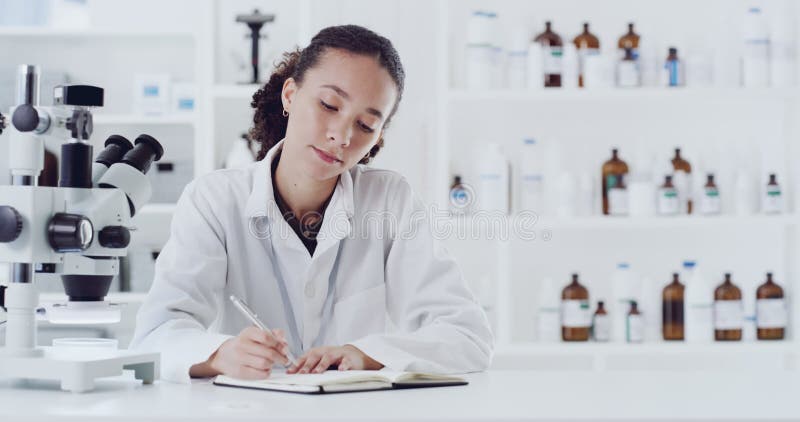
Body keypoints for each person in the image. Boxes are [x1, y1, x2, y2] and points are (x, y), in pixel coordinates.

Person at [130, 24, 493, 383]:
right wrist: (219, 355)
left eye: (366, 125)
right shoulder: (214, 200)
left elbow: (468, 336)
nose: (342, 135)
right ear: (290, 95)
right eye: (329, 105)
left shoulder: (389, 201)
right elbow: (155, 334)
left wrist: (365, 355)